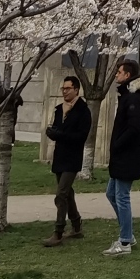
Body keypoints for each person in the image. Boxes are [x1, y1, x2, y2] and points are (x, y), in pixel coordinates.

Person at [41, 75, 92, 247]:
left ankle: (58, 232)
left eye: (68, 88)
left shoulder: (83, 111)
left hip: (72, 157)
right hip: (60, 157)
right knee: (68, 193)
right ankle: (76, 225)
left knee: (61, 194)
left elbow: (81, 136)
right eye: (63, 88)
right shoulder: (58, 109)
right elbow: (56, 129)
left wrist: (60, 135)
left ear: (76, 90)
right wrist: (52, 132)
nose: (64, 91)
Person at [105, 60, 140, 257]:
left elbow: (134, 129)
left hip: (127, 156)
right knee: (111, 194)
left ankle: (124, 242)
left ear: (128, 75)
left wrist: (118, 144)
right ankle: (128, 234)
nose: (116, 75)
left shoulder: (133, 100)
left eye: (119, 72)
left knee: (122, 196)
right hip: (121, 156)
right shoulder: (127, 97)